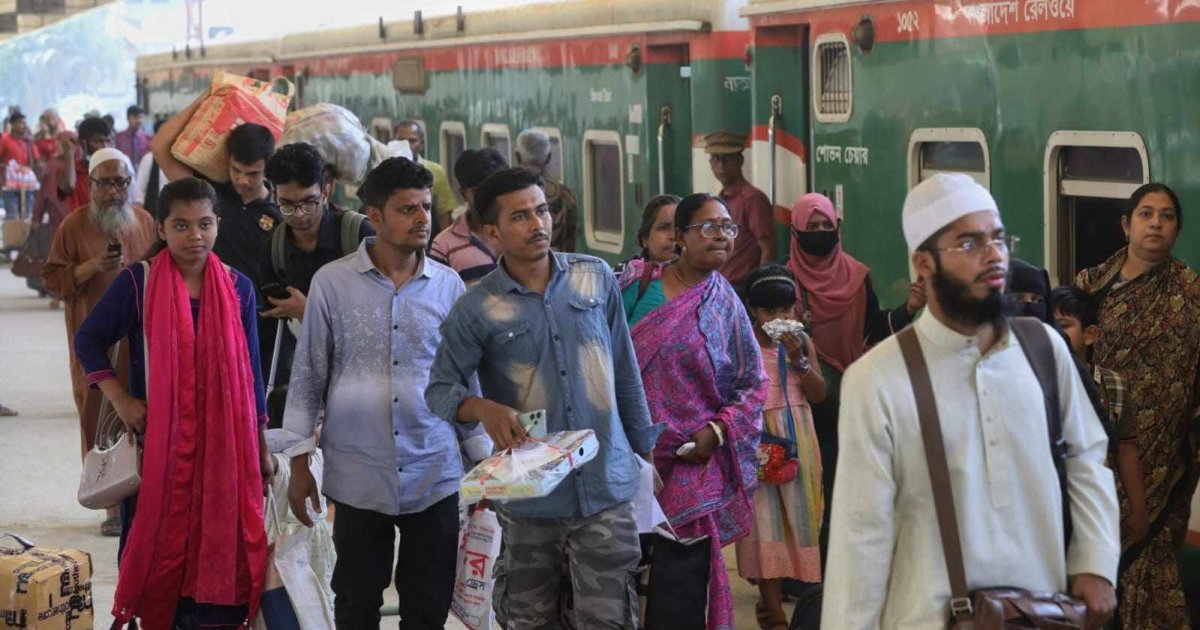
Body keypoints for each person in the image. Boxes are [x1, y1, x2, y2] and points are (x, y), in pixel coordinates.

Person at [822, 173, 1118, 629]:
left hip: (1042, 614)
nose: (994, 254)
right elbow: (860, 535)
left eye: (998, 238)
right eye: (969, 243)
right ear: (923, 263)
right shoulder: (877, 379)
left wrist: (1095, 562)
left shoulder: (1043, 350)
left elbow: (1086, 458)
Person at [425, 167, 660, 628]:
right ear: (492, 232)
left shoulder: (595, 278)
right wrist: (483, 409)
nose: (538, 224)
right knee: (529, 620)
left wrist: (645, 460)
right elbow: (439, 390)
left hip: (605, 485)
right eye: (520, 217)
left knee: (609, 619)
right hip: (530, 498)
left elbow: (625, 371)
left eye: (542, 211)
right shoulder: (476, 308)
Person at [75, 177, 271, 629]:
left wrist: (260, 447)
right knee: (157, 548)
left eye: (204, 224)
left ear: (218, 224)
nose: (194, 236)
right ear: (161, 229)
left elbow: (252, 374)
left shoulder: (238, 287)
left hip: (224, 448)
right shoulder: (138, 283)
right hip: (159, 447)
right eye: (181, 226)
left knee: (221, 542)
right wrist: (122, 400)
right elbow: (89, 340)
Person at [280, 157, 466, 629]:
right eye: (408, 209)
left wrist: (484, 460)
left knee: (428, 608)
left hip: (435, 469)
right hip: (358, 472)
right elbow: (309, 374)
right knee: (356, 603)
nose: (422, 219)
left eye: (426, 207)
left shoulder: (448, 287)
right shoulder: (333, 283)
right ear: (376, 216)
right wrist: (299, 464)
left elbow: (467, 378)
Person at [617, 192, 767, 630]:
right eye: (708, 226)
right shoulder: (636, 287)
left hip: (691, 463)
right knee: (621, 578)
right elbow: (600, 364)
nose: (721, 235)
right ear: (680, 237)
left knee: (683, 582)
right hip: (629, 459)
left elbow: (752, 383)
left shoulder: (726, 303)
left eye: (728, 227)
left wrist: (717, 432)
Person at [1074, 182, 1200, 629]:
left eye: (1167, 216)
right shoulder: (1090, 286)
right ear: (1126, 225)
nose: (1156, 224)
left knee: (1152, 553)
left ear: (1177, 229)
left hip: (1166, 459)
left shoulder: (1191, 293)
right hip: (1100, 449)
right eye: (1146, 214)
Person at [787, 191, 925, 566]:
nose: (820, 232)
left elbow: (873, 329)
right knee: (798, 488)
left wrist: (910, 308)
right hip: (796, 401)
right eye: (812, 226)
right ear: (795, 232)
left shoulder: (858, 277)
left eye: (826, 224)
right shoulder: (784, 279)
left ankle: (827, 565)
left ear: (837, 227)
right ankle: (793, 569)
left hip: (842, 398)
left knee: (838, 481)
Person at [41, 148, 157, 536]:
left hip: (140, 342)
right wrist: (91, 268)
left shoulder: (144, 221)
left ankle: (144, 496)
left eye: (120, 182)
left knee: (143, 415)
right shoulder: (73, 226)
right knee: (96, 419)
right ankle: (109, 504)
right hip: (94, 344)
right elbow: (52, 280)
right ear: (90, 185)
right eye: (104, 183)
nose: (113, 191)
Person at [153, 94, 284, 381]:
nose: (242, 180)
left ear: (268, 168)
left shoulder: (279, 215)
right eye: (236, 170)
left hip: (258, 325)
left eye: (253, 173)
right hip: (203, 316)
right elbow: (160, 146)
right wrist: (208, 98)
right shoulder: (209, 196)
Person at [734, 265, 826, 630]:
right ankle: (774, 614)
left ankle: (783, 599)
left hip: (798, 438)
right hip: (758, 439)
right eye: (770, 311)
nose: (779, 318)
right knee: (764, 524)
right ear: (754, 311)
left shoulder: (801, 341)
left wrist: (799, 360)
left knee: (800, 521)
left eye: (786, 309)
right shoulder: (744, 344)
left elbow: (819, 394)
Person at [257, 142, 375, 391]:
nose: (298, 214)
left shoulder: (358, 236)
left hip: (367, 376)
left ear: (325, 192)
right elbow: (271, 332)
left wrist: (309, 311)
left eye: (309, 202)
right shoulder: (274, 250)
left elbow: (387, 311)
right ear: (275, 196)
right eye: (287, 204)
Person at [1050, 286, 1148, 546]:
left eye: (1064, 325)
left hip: (1093, 508)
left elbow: (1125, 450)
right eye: (1048, 324)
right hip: (1047, 508)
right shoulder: (1032, 379)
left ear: (1090, 335)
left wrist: (1138, 509)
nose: (1054, 332)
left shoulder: (1112, 386)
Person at [704, 131, 775, 290]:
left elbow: (768, 248)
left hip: (744, 288)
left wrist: (761, 288)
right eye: (716, 158)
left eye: (728, 158)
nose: (721, 165)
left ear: (740, 160)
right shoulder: (719, 200)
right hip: (722, 286)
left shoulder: (752, 199)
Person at [429, 147, 506, 285]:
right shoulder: (444, 246)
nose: (488, 198)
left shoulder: (520, 231)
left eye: (495, 190)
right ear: (463, 194)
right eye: (478, 192)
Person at [31, 130, 79, 309]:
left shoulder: (82, 165)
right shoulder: (52, 166)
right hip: (58, 220)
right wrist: (36, 219)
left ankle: (68, 294)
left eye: (72, 142)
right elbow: (43, 196)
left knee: (78, 257)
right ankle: (58, 294)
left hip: (78, 217)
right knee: (60, 258)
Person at [516, 128, 577, 252]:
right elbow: (571, 240)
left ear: (517, 157)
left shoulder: (507, 193)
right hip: (556, 261)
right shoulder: (564, 195)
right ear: (549, 157)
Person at [615, 194, 680, 308]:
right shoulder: (627, 275)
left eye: (681, 228)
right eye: (664, 227)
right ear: (645, 238)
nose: (674, 236)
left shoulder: (703, 281)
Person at [393, 120, 456, 231]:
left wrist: (440, 241)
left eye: (412, 141)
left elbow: (445, 213)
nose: (407, 145)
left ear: (421, 144)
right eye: (401, 141)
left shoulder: (435, 171)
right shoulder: (384, 172)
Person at [47, 117, 113, 214]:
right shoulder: (73, 169)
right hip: (80, 222)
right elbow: (68, 186)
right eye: (98, 141)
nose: (104, 146)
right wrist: (69, 153)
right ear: (83, 143)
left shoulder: (112, 169)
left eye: (107, 141)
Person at [0, 112, 39, 219]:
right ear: (13, 124)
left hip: (27, 183)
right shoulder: (4, 140)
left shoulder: (28, 142)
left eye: (25, 123)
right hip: (9, 184)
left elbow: (37, 160)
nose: (25, 126)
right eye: (21, 123)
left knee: (27, 214)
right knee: (12, 215)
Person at [135, 119, 169, 210]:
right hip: (152, 211)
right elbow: (139, 193)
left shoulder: (180, 159)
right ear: (156, 136)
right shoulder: (148, 159)